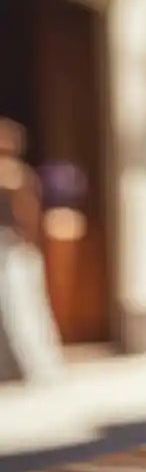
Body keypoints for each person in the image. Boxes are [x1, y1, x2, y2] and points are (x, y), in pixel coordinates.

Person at [0, 118, 62, 382]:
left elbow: (29, 213)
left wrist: (29, 239)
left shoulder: (14, 174)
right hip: (17, 246)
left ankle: (41, 368)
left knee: (23, 306)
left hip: (14, 247)